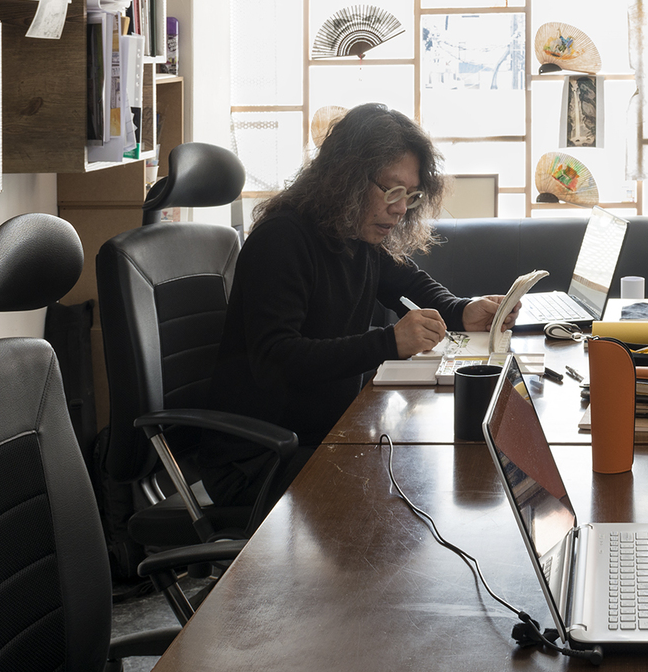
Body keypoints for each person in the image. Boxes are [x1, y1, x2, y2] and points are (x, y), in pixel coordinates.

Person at [201, 103, 517, 504]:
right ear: (346, 178)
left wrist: (461, 309)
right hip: (261, 459)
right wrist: (389, 342)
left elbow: (408, 281)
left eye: (412, 195)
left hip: (324, 433)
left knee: (427, 476)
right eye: (392, 190)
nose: (402, 208)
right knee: (412, 494)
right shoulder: (282, 240)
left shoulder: (354, 232)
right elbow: (275, 359)